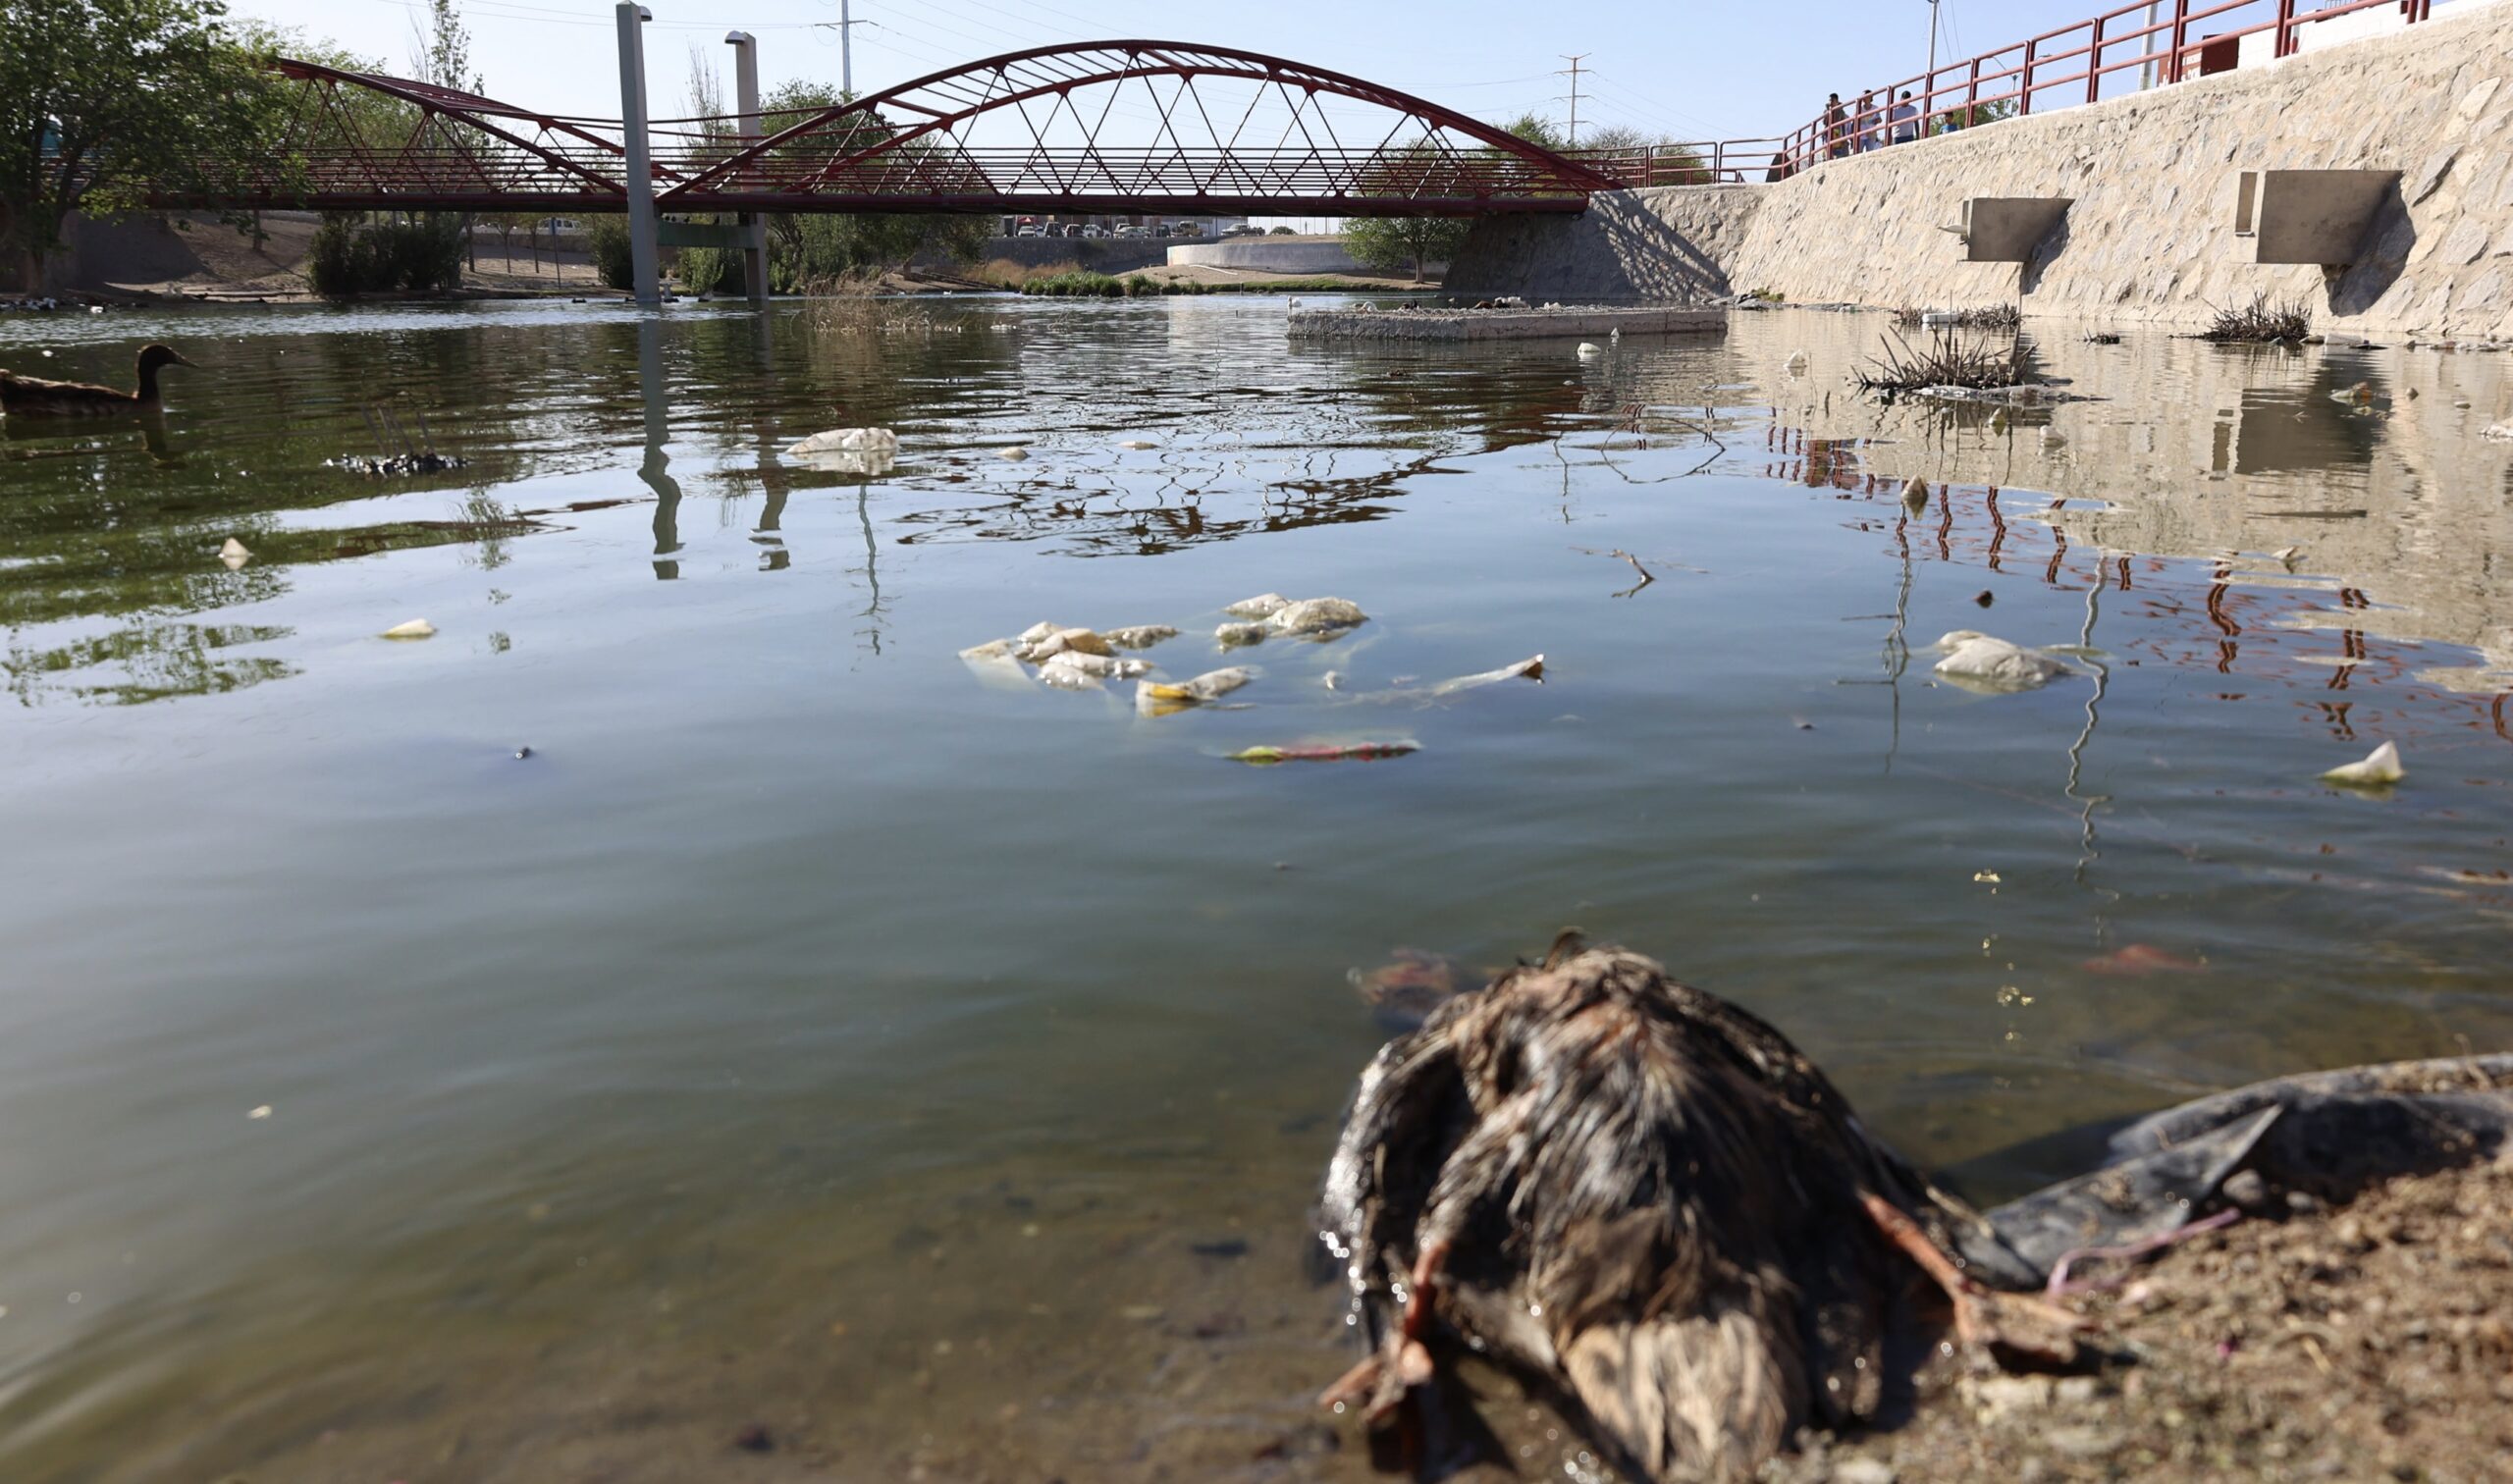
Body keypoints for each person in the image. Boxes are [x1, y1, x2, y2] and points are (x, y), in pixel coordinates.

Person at [1825, 92, 1848, 159]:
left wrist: (1844, 137)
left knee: (1839, 153)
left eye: (1832, 100)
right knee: (1829, 155)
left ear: (1837, 102)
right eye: (1829, 100)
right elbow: (1824, 122)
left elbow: (1843, 124)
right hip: (1828, 134)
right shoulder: (1826, 111)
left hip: (1837, 133)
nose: (1830, 102)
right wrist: (1828, 112)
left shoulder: (1841, 111)